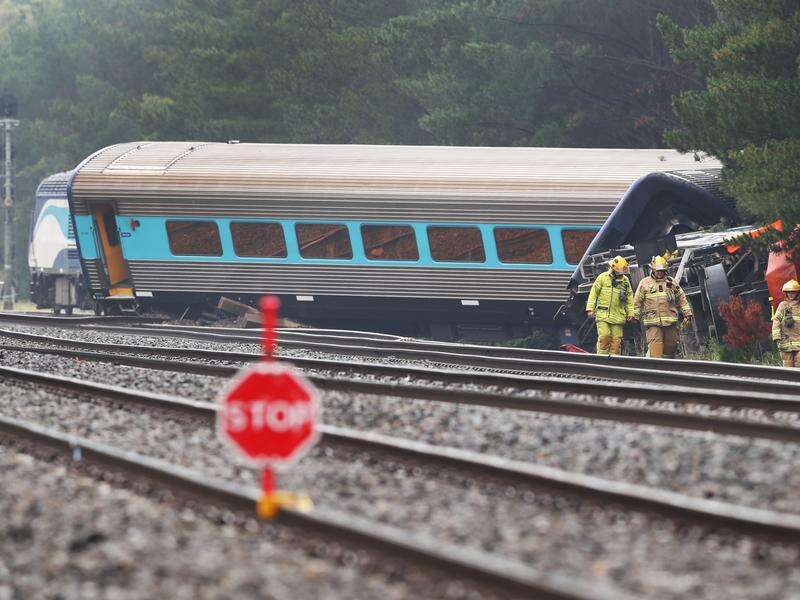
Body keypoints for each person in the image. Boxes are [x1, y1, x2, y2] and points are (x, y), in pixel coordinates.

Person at [633, 255, 693, 359]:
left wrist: (688, 314)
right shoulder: (644, 283)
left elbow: (681, 298)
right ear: (652, 269)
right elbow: (637, 301)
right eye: (658, 270)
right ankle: (657, 372)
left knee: (671, 349)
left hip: (670, 323)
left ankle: (668, 372)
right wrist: (635, 315)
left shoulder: (671, 282)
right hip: (653, 323)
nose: (660, 273)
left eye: (662, 270)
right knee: (656, 351)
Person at [585, 255, 635, 355]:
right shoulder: (602, 278)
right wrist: (590, 309)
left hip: (618, 316)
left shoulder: (625, 281)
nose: (620, 273)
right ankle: (602, 361)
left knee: (616, 342)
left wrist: (631, 313)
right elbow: (593, 294)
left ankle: (614, 365)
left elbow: (630, 298)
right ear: (613, 268)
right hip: (603, 314)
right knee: (604, 337)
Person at [772, 279, 800, 368]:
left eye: (793, 292)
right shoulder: (783, 306)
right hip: (785, 343)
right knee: (788, 369)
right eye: (789, 292)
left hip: (798, 342)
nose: (791, 294)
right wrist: (776, 336)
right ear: (786, 293)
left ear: (797, 293)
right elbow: (776, 321)